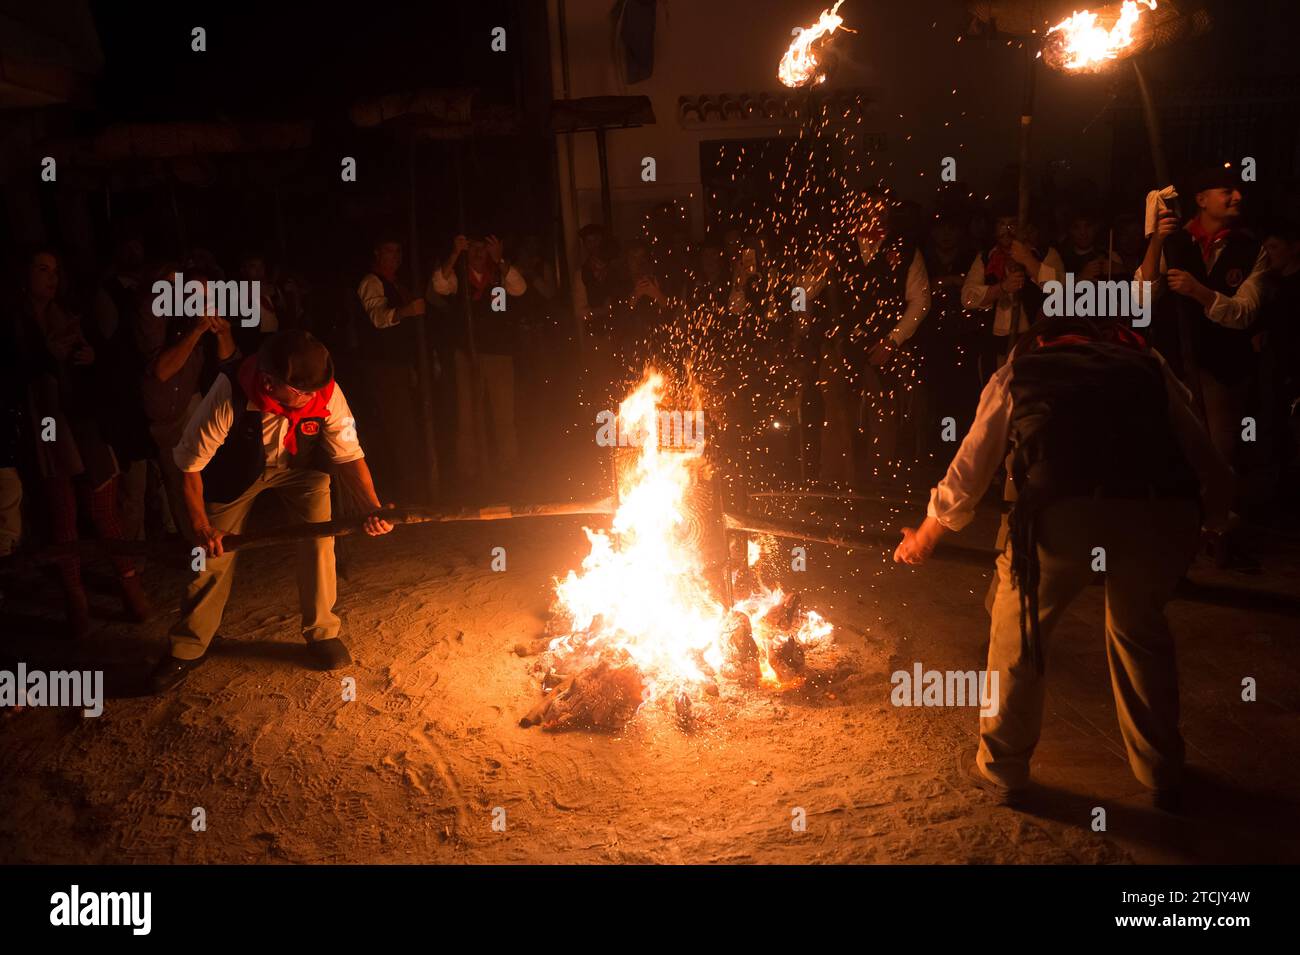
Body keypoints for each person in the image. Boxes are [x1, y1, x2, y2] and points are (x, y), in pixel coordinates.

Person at [894, 318, 1232, 812]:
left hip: (1062, 513)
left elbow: (970, 469)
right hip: (1158, 511)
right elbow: (1203, 454)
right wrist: (1215, 519)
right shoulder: (1148, 364)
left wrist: (927, 535)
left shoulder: (1020, 369)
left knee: (1020, 635)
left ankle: (1004, 770)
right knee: (1140, 634)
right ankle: (1160, 771)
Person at [150, 330, 393, 692]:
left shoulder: (326, 392)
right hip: (236, 473)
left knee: (319, 539)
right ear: (268, 381)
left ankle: (322, 633)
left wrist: (372, 508)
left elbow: (349, 456)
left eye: (315, 390)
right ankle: (188, 646)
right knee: (212, 555)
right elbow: (188, 467)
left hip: (301, 470)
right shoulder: (228, 392)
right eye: (301, 392)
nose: (312, 397)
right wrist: (201, 527)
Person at [10, 249, 152, 636]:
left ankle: (130, 589)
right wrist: (45, 355)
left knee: (105, 509)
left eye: (55, 270)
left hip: (84, 422)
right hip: (48, 424)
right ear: (24, 275)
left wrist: (91, 357)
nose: (50, 278)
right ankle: (77, 601)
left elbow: (104, 361)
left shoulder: (70, 313)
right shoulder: (14, 322)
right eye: (42, 269)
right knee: (64, 516)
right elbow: (14, 374)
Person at [430, 234, 527, 489]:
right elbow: (440, 284)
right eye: (473, 249)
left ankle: (510, 468)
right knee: (467, 413)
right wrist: (454, 254)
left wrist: (500, 260)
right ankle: (469, 472)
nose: (478, 253)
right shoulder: (457, 274)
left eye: (483, 249)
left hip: (499, 353)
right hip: (467, 353)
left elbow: (519, 288)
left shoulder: (499, 272)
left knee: (504, 414)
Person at [354, 237, 428, 503]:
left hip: (399, 364)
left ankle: (412, 487)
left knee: (405, 425)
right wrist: (408, 311)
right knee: (397, 426)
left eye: (398, 251)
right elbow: (379, 317)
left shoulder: (398, 283)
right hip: (381, 366)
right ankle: (401, 490)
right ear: (377, 252)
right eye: (389, 250)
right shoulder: (371, 282)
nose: (395, 256)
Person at [961, 210, 1065, 379]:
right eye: (1001, 224)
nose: (1006, 230)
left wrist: (1028, 260)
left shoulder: (1044, 254)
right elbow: (968, 298)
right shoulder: (986, 258)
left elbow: (1060, 290)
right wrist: (1001, 288)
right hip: (995, 348)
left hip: (1034, 345)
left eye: (1013, 224)